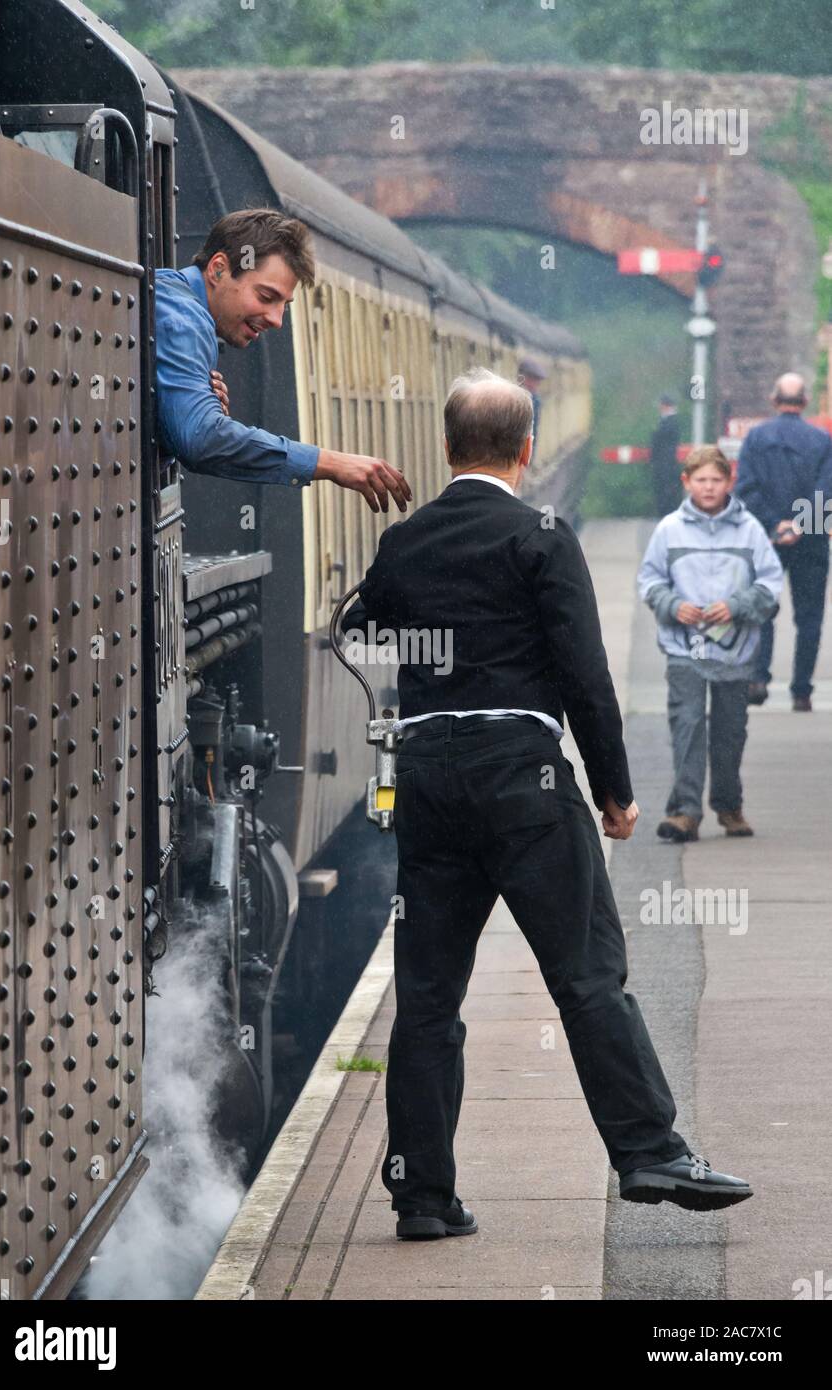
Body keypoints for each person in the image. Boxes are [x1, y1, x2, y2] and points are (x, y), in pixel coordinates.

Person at [342, 367, 752, 1241]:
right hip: (519, 777)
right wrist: (613, 790)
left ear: (446, 448)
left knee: (426, 997)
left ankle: (422, 1196)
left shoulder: (407, 539)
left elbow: (357, 628)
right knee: (585, 974)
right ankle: (648, 1152)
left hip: (426, 776)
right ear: (526, 450)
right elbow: (584, 673)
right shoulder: (539, 535)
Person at [154, 208, 411, 514]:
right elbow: (202, 440)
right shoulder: (183, 319)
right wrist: (330, 463)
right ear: (218, 269)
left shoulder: (171, 296)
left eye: (284, 306)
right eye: (265, 297)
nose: (276, 320)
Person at [637, 445, 783, 842]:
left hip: (735, 650)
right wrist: (673, 604)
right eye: (700, 480)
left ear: (729, 482)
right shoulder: (669, 530)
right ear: (686, 482)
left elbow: (770, 582)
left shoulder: (750, 529)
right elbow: (650, 580)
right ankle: (684, 811)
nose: (708, 487)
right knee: (686, 726)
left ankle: (729, 806)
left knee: (730, 730)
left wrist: (736, 606)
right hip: (685, 647)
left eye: (716, 480)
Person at [733, 372, 832, 710]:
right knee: (809, 616)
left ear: (775, 400)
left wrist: (777, 524)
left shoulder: (756, 439)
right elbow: (826, 489)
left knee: (763, 608)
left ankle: (758, 678)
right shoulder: (822, 441)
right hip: (813, 539)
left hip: (765, 537)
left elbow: (746, 487)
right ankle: (801, 691)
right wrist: (801, 524)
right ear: (804, 402)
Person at [650, 394, 682, 517]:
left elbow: (660, 440)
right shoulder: (666, 421)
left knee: (666, 489)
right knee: (665, 488)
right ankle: (664, 512)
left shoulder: (670, 422)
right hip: (665, 462)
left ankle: (665, 512)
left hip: (666, 462)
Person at [517, 355, 546, 452]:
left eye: (537, 381)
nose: (534, 385)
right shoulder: (512, 397)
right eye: (531, 379)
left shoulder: (535, 400)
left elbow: (533, 430)